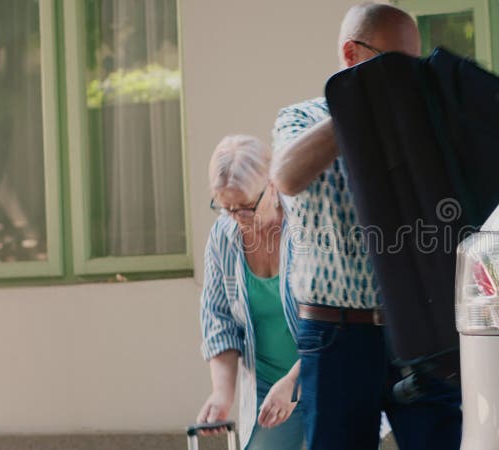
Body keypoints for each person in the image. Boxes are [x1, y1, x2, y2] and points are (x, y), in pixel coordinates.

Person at [270, 4, 462, 450]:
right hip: (336, 336)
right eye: (394, 64)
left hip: (420, 330)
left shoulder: (423, 124)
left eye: (413, 66)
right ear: (351, 54)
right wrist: (355, 110)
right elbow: (286, 177)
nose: (406, 78)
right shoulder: (299, 119)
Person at [197, 135, 304, 450]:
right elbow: (219, 320)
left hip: (322, 377)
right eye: (227, 207)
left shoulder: (306, 226)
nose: (237, 218)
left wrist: (293, 384)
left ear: (272, 185)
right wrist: (222, 394)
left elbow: (331, 323)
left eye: (245, 207)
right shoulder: (223, 234)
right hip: (267, 388)